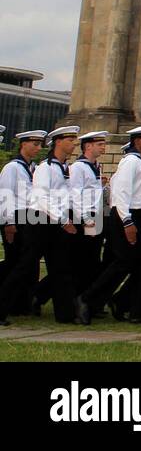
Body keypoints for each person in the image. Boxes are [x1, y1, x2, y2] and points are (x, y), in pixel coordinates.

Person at [76, 126, 141, 326]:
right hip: (127, 213)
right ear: (136, 141)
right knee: (123, 262)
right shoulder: (130, 162)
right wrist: (127, 221)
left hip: (140, 214)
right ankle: (88, 299)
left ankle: (136, 308)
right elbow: (121, 193)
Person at [31, 126, 80, 323]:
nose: (74, 143)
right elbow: (42, 197)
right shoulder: (46, 168)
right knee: (24, 266)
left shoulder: (64, 167)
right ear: (58, 142)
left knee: (62, 269)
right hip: (42, 221)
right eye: (70, 140)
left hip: (57, 222)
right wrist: (63, 220)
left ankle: (65, 314)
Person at [0, 130, 45, 323]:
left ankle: (19, 304)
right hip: (15, 217)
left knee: (24, 264)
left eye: (40, 144)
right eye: (34, 144)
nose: (38, 148)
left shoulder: (32, 167)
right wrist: (9, 222)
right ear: (23, 144)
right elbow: (5, 195)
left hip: (29, 217)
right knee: (15, 263)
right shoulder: (13, 167)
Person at [69, 131, 108, 300]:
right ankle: (79, 296)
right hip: (85, 216)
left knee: (92, 258)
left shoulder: (95, 166)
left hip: (95, 214)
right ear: (88, 146)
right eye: (100, 144)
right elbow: (75, 194)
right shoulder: (79, 167)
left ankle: (87, 298)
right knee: (83, 259)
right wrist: (86, 219)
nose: (103, 147)